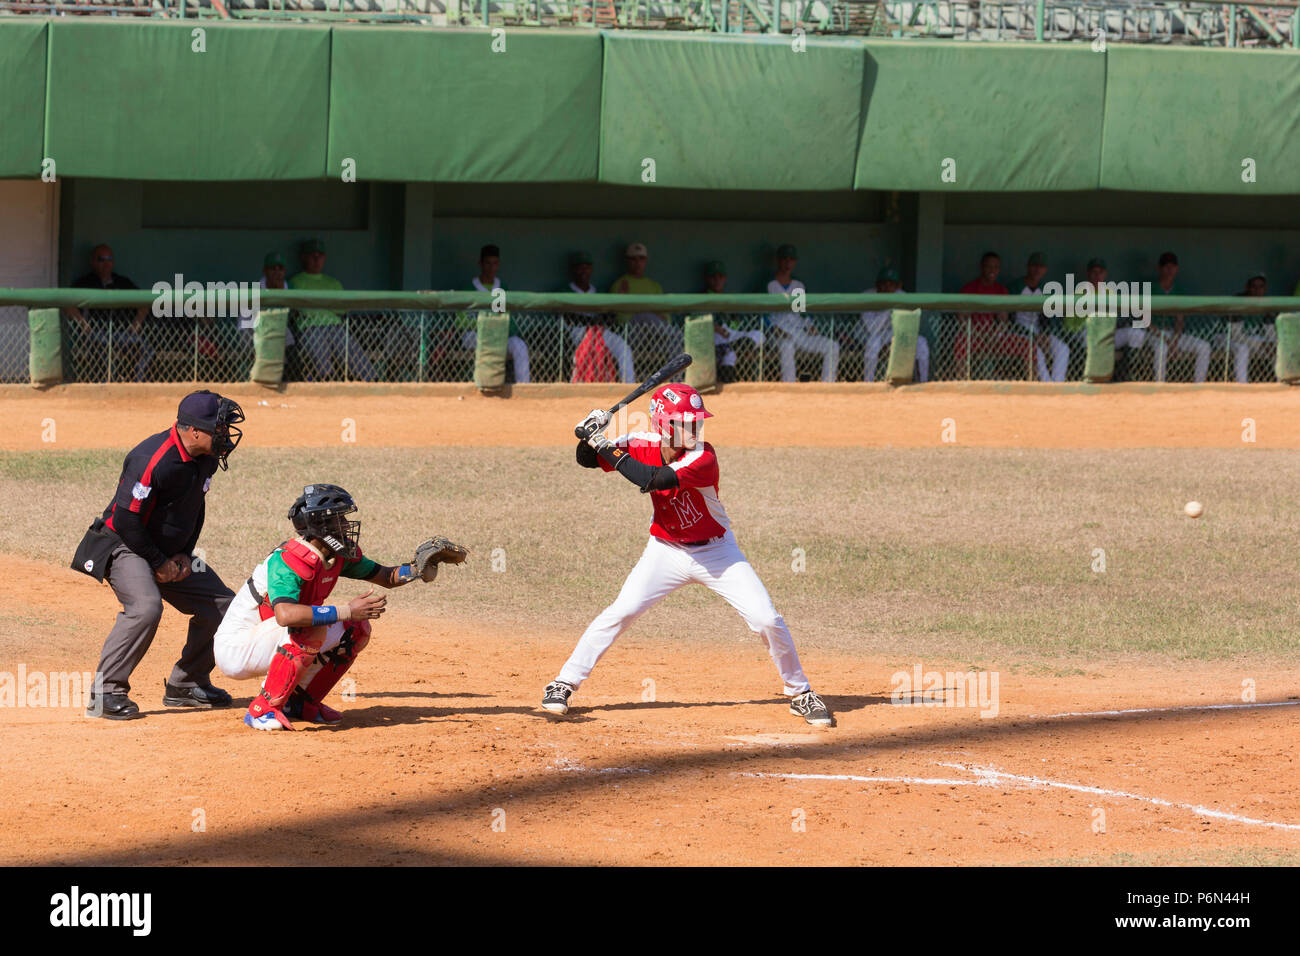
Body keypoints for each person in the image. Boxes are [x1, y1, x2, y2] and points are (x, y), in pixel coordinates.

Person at [541, 385, 834, 727]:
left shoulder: (703, 457)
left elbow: (654, 479)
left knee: (766, 618)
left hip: (717, 552)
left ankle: (801, 692)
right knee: (621, 612)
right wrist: (591, 432)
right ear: (663, 424)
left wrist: (603, 443)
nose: (694, 430)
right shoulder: (641, 442)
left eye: (697, 423)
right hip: (665, 550)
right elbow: (587, 460)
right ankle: (564, 682)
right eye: (686, 423)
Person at [213, 484, 467, 731]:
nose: (346, 526)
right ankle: (262, 709)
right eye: (338, 520)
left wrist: (417, 570)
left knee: (356, 629)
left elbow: (386, 577)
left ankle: (301, 704)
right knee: (311, 627)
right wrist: (347, 609)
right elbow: (286, 615)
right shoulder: (288, 560)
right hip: (237, 650)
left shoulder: (338, 555)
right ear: (319, 525)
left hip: (272, 639)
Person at [72, 390, 245, 720]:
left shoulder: (205, 458)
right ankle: (106, 693)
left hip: (165, 552)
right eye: (218, 428)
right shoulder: (152, 458)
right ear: (193, 430)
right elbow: (126, 520)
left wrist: (183, 554)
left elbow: (195, 507)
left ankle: (187, 683)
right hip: (123, 544)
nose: (225, 435)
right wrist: (158, 563)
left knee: (224, 606)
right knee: (146, 606)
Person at [288, 239, 376, 381]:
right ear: (303, 257)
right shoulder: (295, 281)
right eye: (312, 255)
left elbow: (340, 311)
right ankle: (327, 383)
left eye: (320, 255)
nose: (316, 259)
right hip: (309, 327)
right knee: (321, 358)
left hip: (335, 327)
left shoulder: (333, 283)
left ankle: (373, 383)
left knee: (354, 354)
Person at [65, 244, 155, 381]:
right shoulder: (85, 282)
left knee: (146, 348)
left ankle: (137, 381)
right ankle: (105, 382)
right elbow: (67, 303)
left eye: (109, 259)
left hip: (123, 332)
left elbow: (145, 302)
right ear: (93, 262)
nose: (106, 263)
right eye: (101, 259)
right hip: (96, 333)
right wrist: (83, 324)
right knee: (103, 348)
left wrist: (136, 324)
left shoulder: (122, 281)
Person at [766, 244, 839, 382]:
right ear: (778, 260)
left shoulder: (798, 285)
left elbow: (801, 311)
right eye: (784, 259)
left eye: (791, 259)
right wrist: (773, 328)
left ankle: (828, 384)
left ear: (795, 262)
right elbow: (760, 313)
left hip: (799, 332)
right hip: (776, 333)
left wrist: (810, 325)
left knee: (832, 346)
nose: (788, 263)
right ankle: (790, 386)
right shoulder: (768, 283)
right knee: (786, 345)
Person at [459, 244, 531, 384]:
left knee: (519, 345)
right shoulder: (469, 287)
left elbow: (505, 317)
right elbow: (460, 321)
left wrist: (499, 329)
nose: (491, 267)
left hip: (499, 336)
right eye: (487, 263)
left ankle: (524, 385)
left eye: (495, 263)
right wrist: (485, 324)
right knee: (474, 338)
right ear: (480, 264)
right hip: (474, 335)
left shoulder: (501, 287)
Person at [955, 251, 1032, 378]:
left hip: (995, 337)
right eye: (989, 266)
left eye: (996, 267)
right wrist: (977, 334)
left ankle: (1032, 384)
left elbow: (1003, 321)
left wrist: (994, 334)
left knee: (1028, 345)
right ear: (982, 267)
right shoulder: (969, 288)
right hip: (972, 336)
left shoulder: (1001, 290)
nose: (992, 270)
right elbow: (962, 318)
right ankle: (961, 382)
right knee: (960, 341)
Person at [567, 250, 635, 383]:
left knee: (623, 348)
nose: (583, 270)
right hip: (574, 331)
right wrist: (594, 321)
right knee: (583, 349)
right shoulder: (565, 289)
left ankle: (629, 386)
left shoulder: (599, 291)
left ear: (591, 269)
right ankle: (576, 384)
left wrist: (620, 298)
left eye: (587, 267)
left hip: (599, 331)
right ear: (574, 269)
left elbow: (609, 317)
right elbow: (569, 317)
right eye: (580, 267)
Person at [854, 265, 930, 383]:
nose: (887, 287)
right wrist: (889, 306)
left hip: (891, 335)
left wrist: (894, 344)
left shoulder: (901, 295)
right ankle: (868, 382)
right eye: (884, 283)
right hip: (866, 335)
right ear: (877, 284)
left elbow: (909, 325)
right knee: (873, 343)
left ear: (897, 286)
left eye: (891, 284)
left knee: (921, 342)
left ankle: (923, 382)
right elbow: (872, 329)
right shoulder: (867, 296)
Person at [610, 242, 682, 364]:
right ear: (627, 261)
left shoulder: (654, 286)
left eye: (641, 259)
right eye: (633, 259)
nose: (637, 263)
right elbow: (620, 319)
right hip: (632, 336)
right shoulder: (621, 284)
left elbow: (666, 319)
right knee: (645, 316)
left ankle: (675, 380)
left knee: (675, 342)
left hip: (655, 338)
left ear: (646, 261)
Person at [1005, 252, 1068, 382]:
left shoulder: (1046, 289)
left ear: (1045, 270)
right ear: (1028, 267)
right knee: (1037, 352)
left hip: (1039, 333)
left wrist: (1045, 335)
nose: (1037, 269)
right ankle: (1047, 385)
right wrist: (1036, 337)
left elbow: (1049, 318)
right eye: (1034, 265)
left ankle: (1058, 384)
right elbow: (1009, 320)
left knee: (1063, 349)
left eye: (1041, 266)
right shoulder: (1015, 287)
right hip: (1018, 332)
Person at [1149, 252, 1209, 383]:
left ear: (1177, 269)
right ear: (1159, 268)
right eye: (1166, 266)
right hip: (1154, 334)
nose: (1169, 269)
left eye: (1172, 266)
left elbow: (1180, 321)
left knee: (1204, 346)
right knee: (1162, 348)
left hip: (1174, 335)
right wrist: (1168, 341)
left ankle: (1199, 386)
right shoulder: (1149, 288)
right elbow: (1144, 322)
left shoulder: (1180, 290)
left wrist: (1174, 341)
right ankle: (1160, 385)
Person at [703, 261, 763, 383]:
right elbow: (695, 321)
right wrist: (714, 327)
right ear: (708, 279)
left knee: (759, 334)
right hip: (715, 336)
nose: (717, 280)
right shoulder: (701, 297)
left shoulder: (729, 298)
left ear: (725, 278)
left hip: (732, 336)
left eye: (720, 277)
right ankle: (735, 350)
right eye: (713, 277)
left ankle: (740, 347)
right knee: (728, 354)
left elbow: (737, 324)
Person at [1222, 272, 1275, 383]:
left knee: (1276, 347)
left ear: (1265, 289)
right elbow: (1236, 336)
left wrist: (1271, 343)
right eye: (1254, 287)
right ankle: (1242, 385)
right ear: (1247, 287)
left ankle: (1283, 382)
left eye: (1261, 287)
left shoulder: (1266, 305)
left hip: (1249, 339)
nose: (1257, 290)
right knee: (1243, 349)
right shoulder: (1238, 301)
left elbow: (1270, 333)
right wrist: (1261, 344)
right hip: (1224, 337)